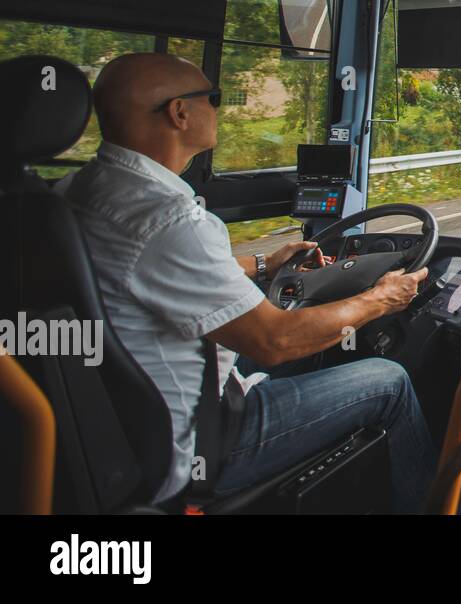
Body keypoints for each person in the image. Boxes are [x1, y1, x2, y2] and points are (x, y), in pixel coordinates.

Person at [58, 52, 435, 511]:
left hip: (118, 424)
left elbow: (153, 271)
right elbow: (274, 340)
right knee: (389, 380)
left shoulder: (79, 190)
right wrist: (379, 299)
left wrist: (264, 265)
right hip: (198, 437)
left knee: (329, 350)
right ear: (180, 112)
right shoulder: (169, 219)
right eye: (211, 98)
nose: (218, 108)